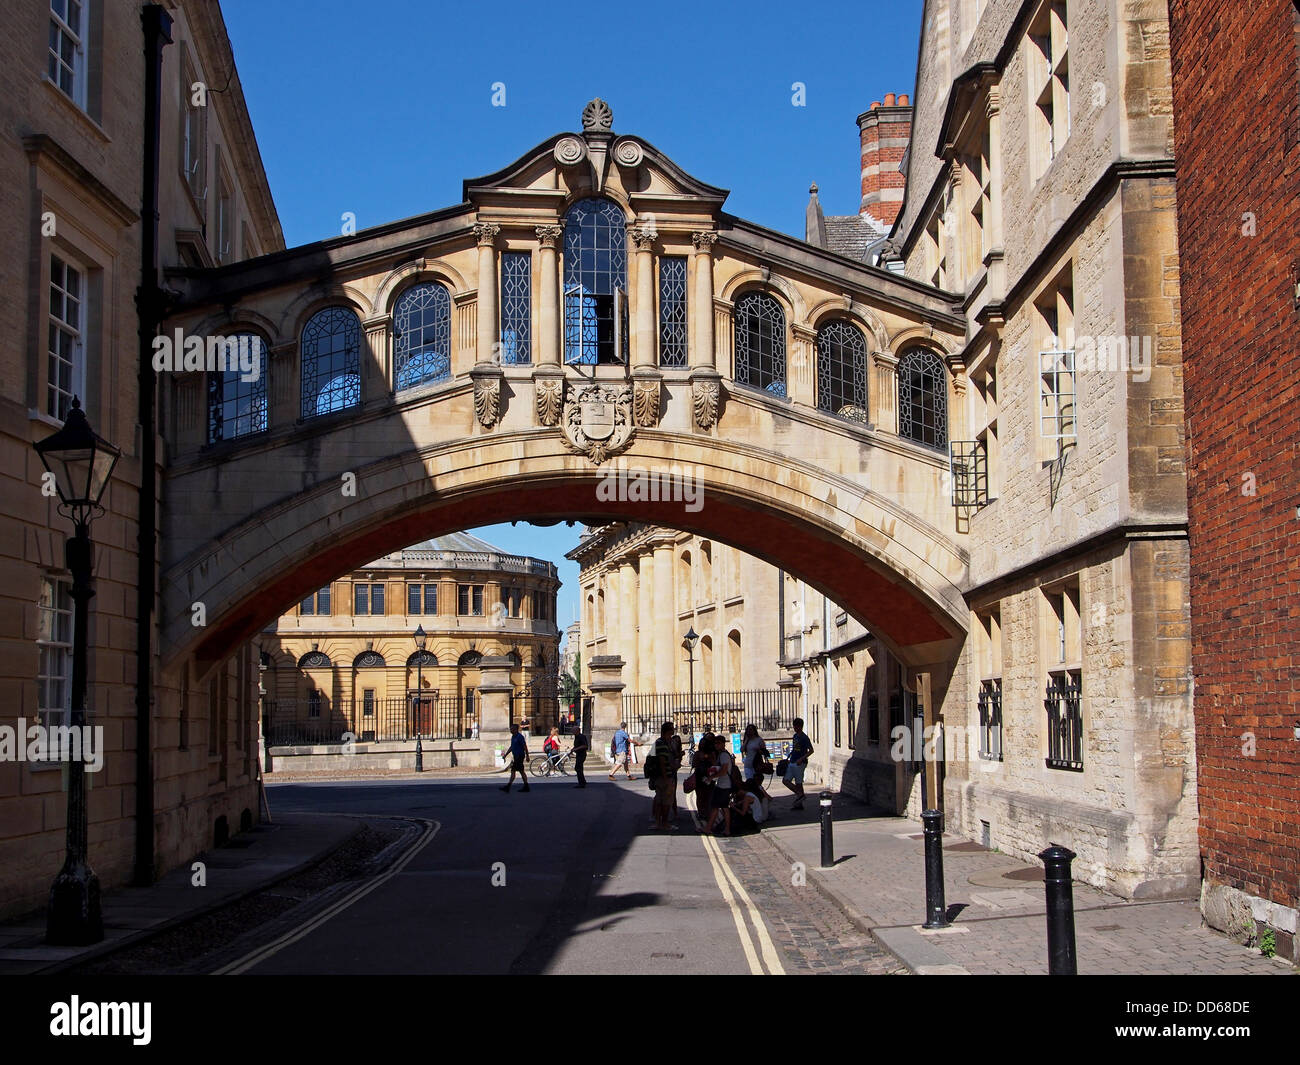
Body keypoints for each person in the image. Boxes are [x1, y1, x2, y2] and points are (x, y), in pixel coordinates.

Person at [648, 722, 681, 830]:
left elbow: (653, 758)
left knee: (659, 800)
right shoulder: (662, 743)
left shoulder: (659, 742)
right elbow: (662, 761)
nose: (673, 732)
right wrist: (667, 778)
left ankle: (658, 823)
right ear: (668, 731)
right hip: (664, 777)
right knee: (666, 801)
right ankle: (665, 823)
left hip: (659, 776)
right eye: (672, 730)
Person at [782, 717, 814, 809]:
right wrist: (789, 756)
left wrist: (802, 758)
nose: (795, 728)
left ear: (801, 726)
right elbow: (795, 749)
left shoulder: (804, 737)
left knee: (798, 783)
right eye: (794, 726)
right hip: (792, 760)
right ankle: (800, 795)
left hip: (800, 763)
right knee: (786, 780)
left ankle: (799, 802)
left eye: (797, 726)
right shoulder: (795, 736)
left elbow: (811, 750)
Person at [708, 733, 735, 835]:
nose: (716, 745)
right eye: (715, 743)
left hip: (724, 785)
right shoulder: (721, 754)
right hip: (721, 784)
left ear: (723, 744)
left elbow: (723, 771)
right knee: (719, 807)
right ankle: (709, 827)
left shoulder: (724, 755)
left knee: (722, 807)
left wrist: (711, 777)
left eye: (718, 743)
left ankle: (726, 829)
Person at [692, 732, 716, 831]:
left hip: (707, 776)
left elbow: (714, 763)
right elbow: (694, 764)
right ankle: (702, 813)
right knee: (701, 796)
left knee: (707, 796)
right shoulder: (698, 754)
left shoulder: (711, 754)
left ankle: (705, 813)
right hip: (701, 776)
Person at [500, 723, 530, 792]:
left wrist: (527, 756)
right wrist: (506, 754)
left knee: (514, 771)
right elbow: (512, 747)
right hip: (516, 756)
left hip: (520, 756)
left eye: (512, 729)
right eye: (511, 729)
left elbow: (525, 746)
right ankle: (526, 786)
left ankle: (508, 786)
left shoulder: (520, 737)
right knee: (521, 771)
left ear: (516, 729)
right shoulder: (513, 737)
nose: (511, 730)